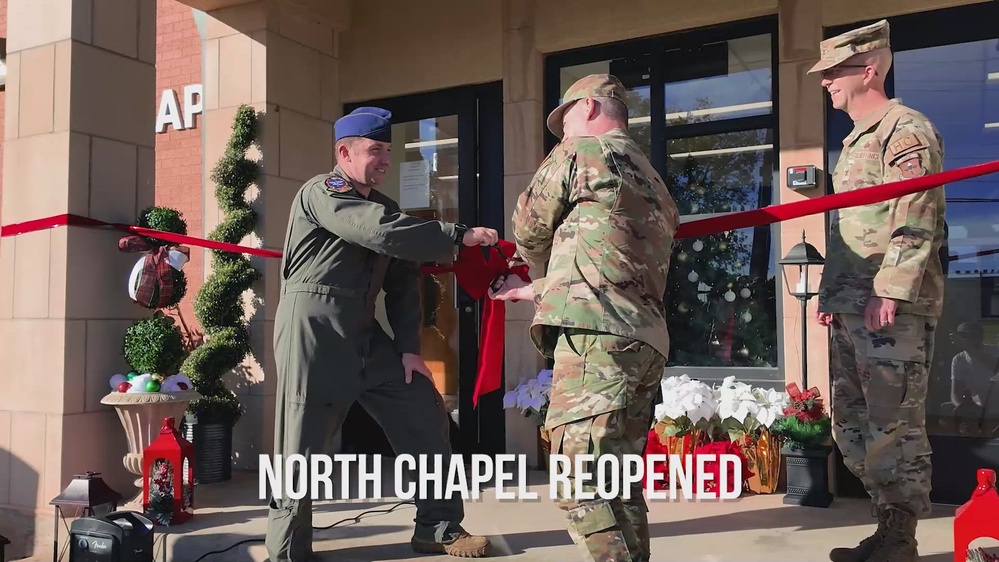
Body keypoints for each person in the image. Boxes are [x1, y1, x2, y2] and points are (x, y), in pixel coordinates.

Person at [266, 106, 496, 561]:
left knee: (424, 412)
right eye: (376, 150)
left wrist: (409, 349)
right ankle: (287, 549)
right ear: (344, 153)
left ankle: (438, 526)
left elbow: (403, 283)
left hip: (364, 331)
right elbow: (377, 233)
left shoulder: (388, 209)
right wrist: (458, 236)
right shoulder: (323, 191)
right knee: (301, 442)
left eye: (389, 150)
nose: (385, 160)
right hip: (312, 325)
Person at [489, 74, 680, 562]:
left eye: (566, 119)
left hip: (596, 335)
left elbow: (530, 224)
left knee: (577, 480)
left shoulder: (582, 152)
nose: (562, 132)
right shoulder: (653, 179)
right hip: (643, 340)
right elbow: (608, 258)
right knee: (616, 481)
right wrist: (535, 288)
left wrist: (530, 269)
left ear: (590, 107)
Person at [810, 19, 947, 562]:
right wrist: (830, 295)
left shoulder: (905, 130)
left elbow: (917, 215)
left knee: (894, 424)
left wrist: (888, 289)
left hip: (890, 308)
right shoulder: (855, 141)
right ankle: (887, 526)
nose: (825, 83)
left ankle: (900, 539)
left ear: (868, 70)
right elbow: (849, 231)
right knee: (850, 425)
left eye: (834, 72)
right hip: (851, 303)